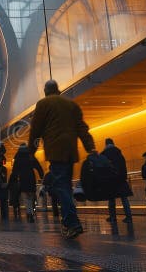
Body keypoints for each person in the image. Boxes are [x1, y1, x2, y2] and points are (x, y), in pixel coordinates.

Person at [28, 79, 96, 239]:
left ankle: (72, 223)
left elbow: (35, 130)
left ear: (45, 90)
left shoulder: (43, 104)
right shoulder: (71, 105)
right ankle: (68, 222)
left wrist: (31, 151)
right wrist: (90, 147)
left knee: (62, 187)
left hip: (55, 150)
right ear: (57, 89)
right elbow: (82, 127)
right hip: (70, 151)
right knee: (65, 186)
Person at [101, 138, 133, 224]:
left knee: (111, 199)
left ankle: (113, 217)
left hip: (110, 180)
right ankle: (129, 217)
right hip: (121, 179)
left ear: (105, 144)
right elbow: (123, 166)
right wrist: (124, 177)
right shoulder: (119, 153)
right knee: (124, 199)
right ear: (113, 143)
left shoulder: (104, 155)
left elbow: (102, 168)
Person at [10, 144, 45, 223]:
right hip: (31, 177)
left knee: (26, 197)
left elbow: (14, 170)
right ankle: (31, 211)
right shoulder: (30, 156)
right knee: (31, 195)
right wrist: (42, 176)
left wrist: (14, 179)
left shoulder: (18, 157)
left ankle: (29, 212)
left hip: (23, 179)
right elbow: (38, 166)